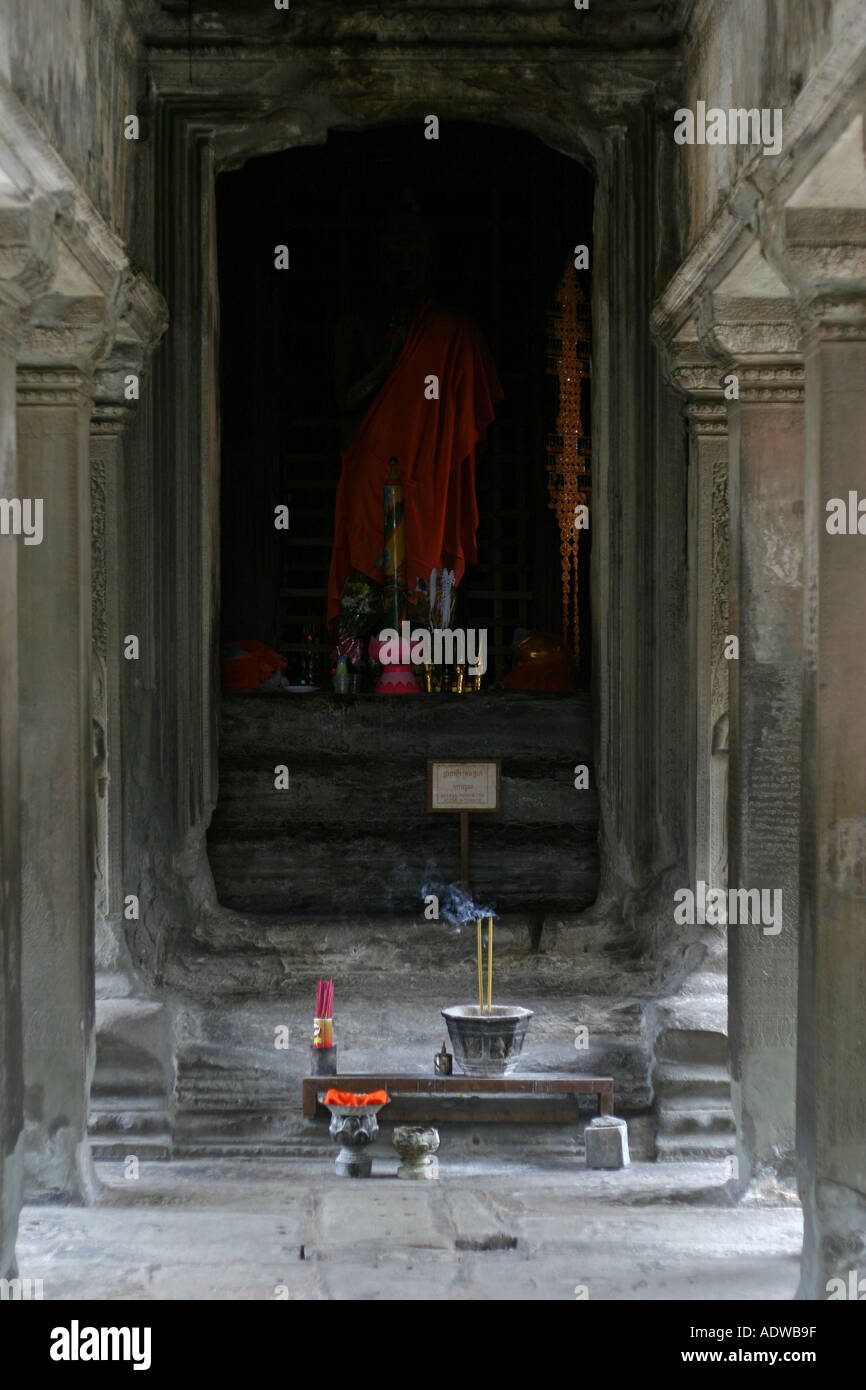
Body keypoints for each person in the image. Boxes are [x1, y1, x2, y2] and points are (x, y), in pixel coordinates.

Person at [327, 197, 503, 633]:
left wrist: (439, 469)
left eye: (414, 250)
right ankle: (364, 666)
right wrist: (390, 361)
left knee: (428, 600)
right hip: (371, 478)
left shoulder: (453, 331)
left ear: (430, 258)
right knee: (365, 599)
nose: (404, 261)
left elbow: (473, 434)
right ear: (378, 257)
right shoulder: (356, 325)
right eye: (395, 249)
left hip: (429, 489)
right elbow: (343, 401)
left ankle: (424, 664)